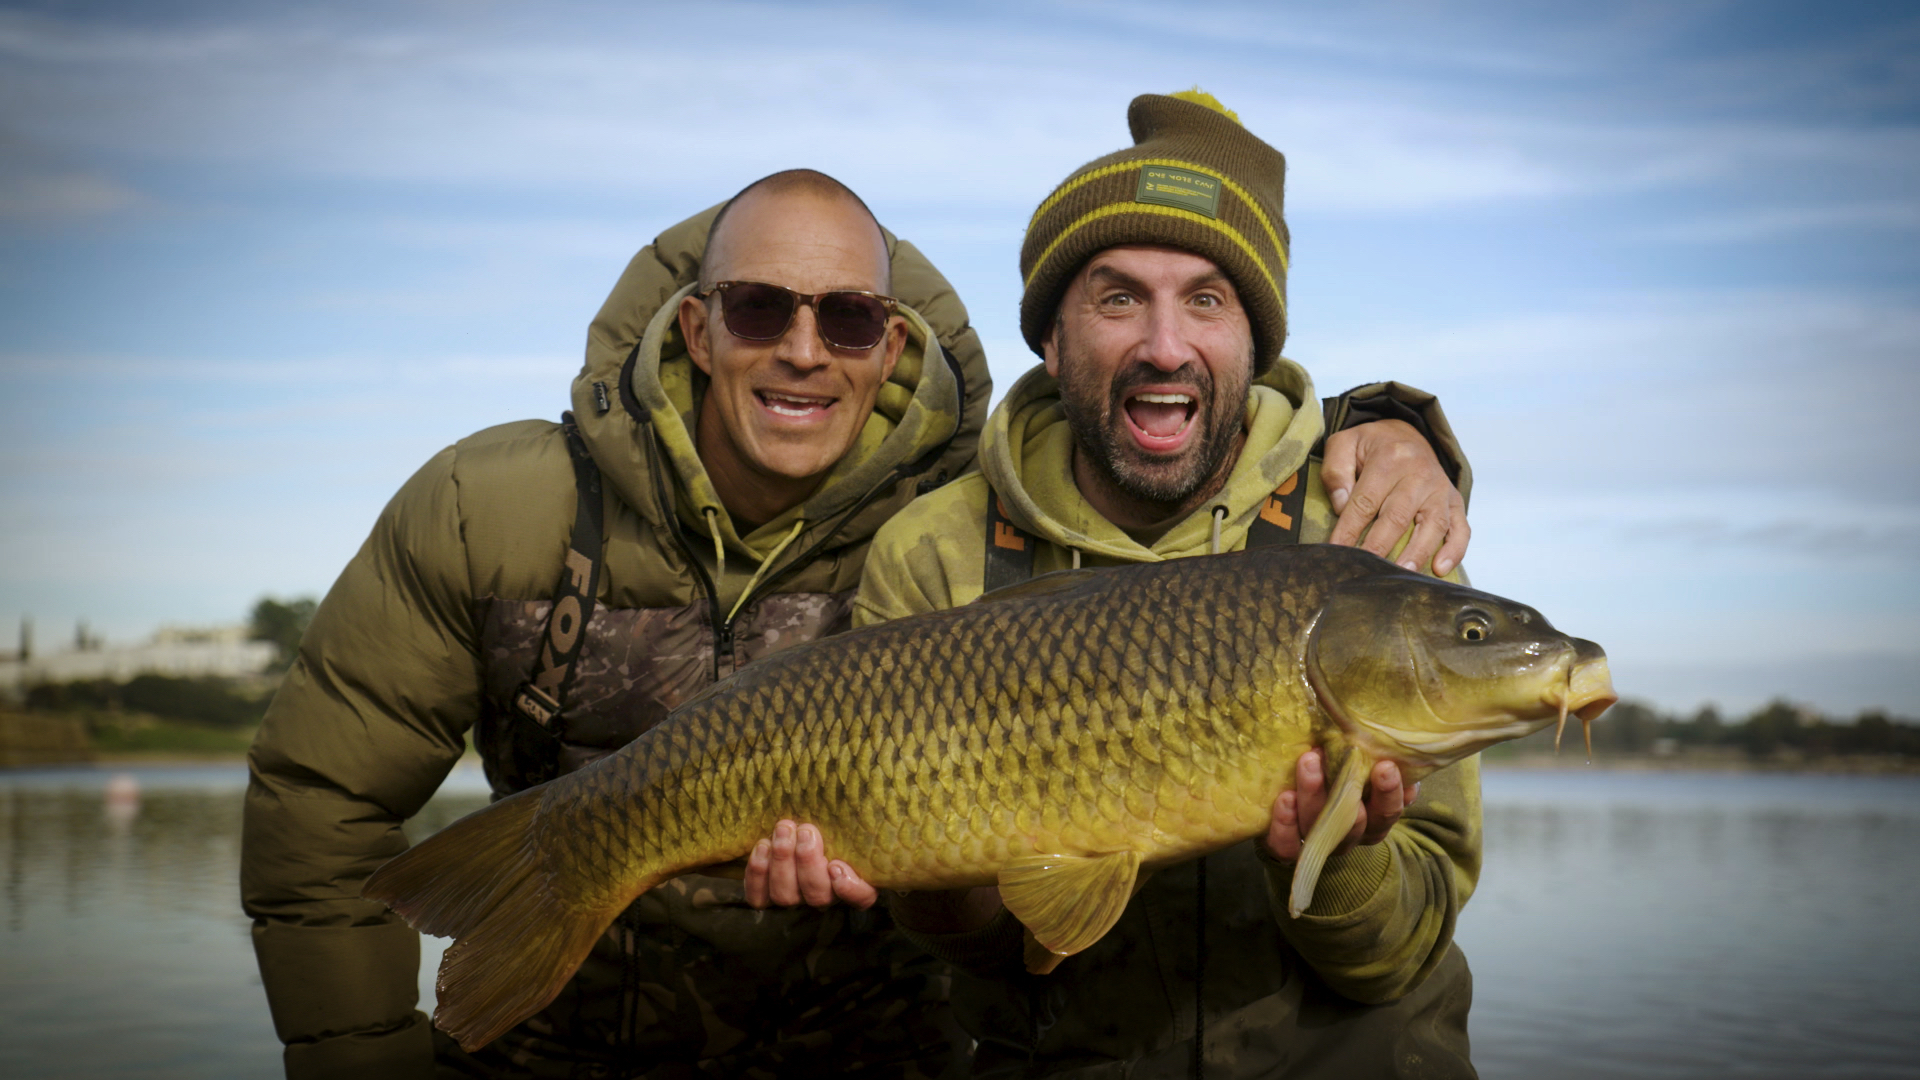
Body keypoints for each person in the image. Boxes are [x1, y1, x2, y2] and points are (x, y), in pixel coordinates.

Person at [242, 164, 1462, 1077]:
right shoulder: (510, 506)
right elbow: (314, 806)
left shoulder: (1348, 535)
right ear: (697, 326)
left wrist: (1399, 423)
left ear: (893, 346)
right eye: (759, 309)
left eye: (848, 321)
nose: (804, 352)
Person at [806, 91, 1484, 1078]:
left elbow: (1400, 959)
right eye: (1118, 298)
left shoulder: (1375, 522)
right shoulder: (934, 552)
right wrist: (933, 881)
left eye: (1207, 301)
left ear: (1255, 343)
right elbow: (984, 958)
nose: (1165, 346)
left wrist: (1338, 863)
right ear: (1052, 339)